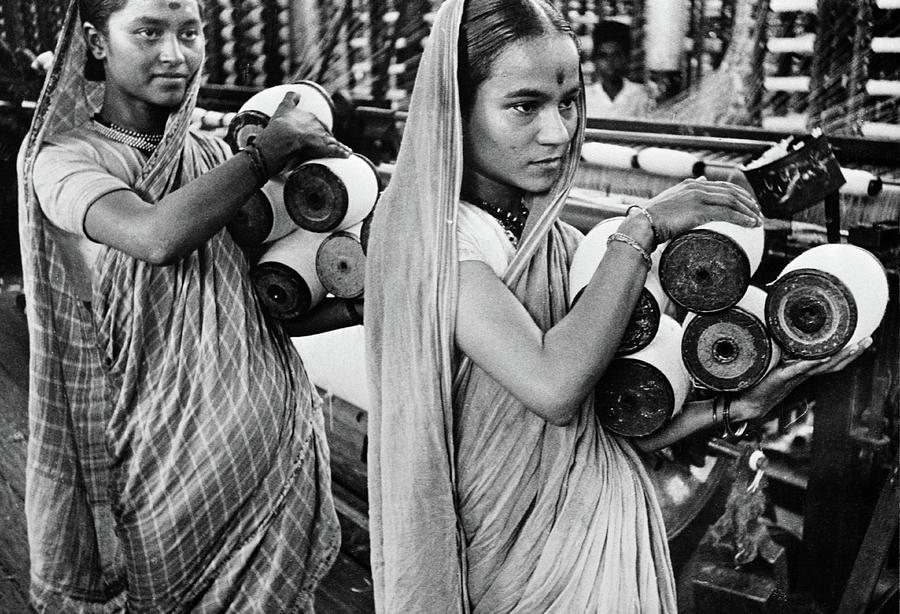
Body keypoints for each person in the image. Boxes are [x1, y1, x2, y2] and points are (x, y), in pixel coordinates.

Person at [363, 0, 870, 611]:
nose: (558, 131)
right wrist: (643, 228)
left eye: (568, 102)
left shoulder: (560, 244)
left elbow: (604, 429)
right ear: (454, 108)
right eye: (524, 106)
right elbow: (554, 388)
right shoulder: (434, 238)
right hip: (510, 570)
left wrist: (738, 404)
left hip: (595, 542)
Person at [17, 0, 361, 610]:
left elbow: (265, 310)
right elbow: (156, 237)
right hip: (166, 469)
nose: (174, 54)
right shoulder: (67, 159)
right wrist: (263, 156)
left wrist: (359, 302)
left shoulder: (211, 158)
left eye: (189, 32)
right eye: (148, 32)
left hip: (274, 455)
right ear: (97, 42)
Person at [584, 19, 654, 119]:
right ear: (595, 60)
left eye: (616, 55)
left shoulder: (641, 95)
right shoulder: (585, 97)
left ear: (626, 58)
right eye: (603, 56)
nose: (610, 61)